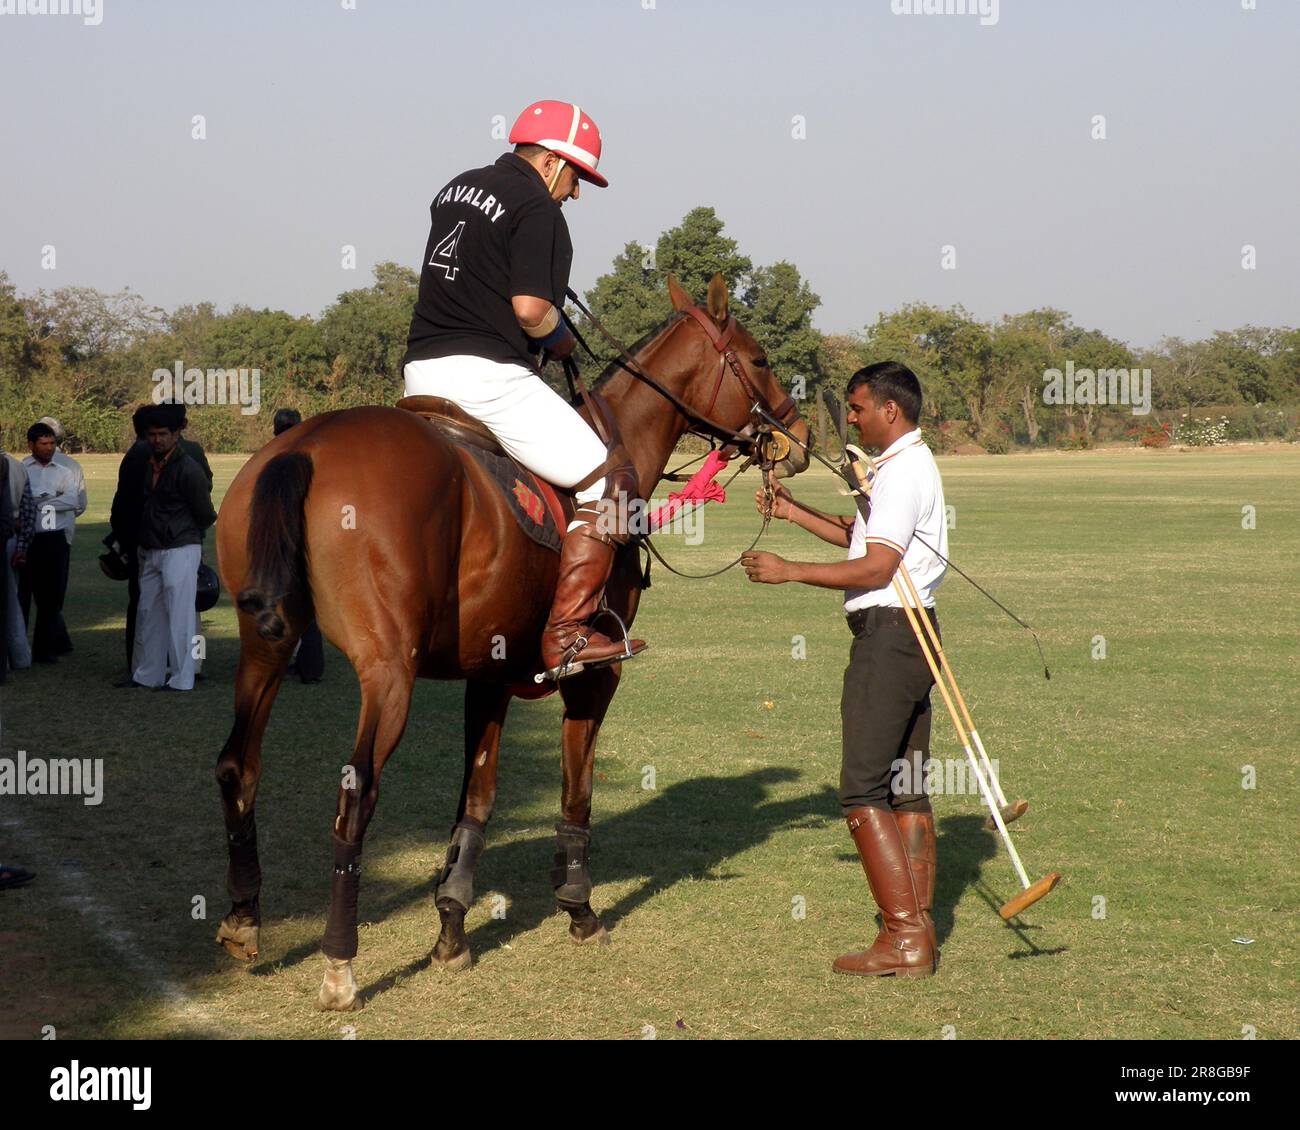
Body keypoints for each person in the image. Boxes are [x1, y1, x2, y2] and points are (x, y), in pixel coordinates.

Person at [401, 99, 644, 677]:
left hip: (420, 373)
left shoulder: (455, 187)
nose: (576, 194)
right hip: (488, 377)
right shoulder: (539, 206)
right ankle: (567, 635)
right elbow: (532, 310)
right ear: (555, 163)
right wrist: (560, 338)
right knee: (610, 482)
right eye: (578, 177)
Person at [741, 362, 947, 978]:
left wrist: (789, 570)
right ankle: (917, 928)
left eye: (857, 409)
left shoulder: (905, 472)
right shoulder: (898, 467)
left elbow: (875, 570)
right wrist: (795, 513)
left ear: (891, 410)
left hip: (890, 638)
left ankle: (905, 939)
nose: (850, 418)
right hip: (912, 634)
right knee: (905, 786)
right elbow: (863, 540)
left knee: (862, 788)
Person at [110, 404, 213, 678]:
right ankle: (193, 665)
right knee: (187, 611)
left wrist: (122, 539)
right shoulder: (192, 452)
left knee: (149, 610)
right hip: (177, 539)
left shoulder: (140, 455)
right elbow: (205, 497)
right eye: (153, 432)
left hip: (160, 540)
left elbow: (124, 503)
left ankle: (147, 667)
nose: (157, 438)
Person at [19, 421, 86, 663]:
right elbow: (18, 501)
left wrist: (38, 502)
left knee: (51, 598)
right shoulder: (22, 469)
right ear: (31, 444)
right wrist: (52, 498)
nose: (49, 448)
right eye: (43, 444)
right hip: (29, 538)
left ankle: (44, 650)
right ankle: (18, 649)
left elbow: (72, 501)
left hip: (54, 538)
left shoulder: (64, 471)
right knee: (22, 595)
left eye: (52, 443)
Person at [272, 408, 324, 683]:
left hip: (288, 535)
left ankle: (304, 664)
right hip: (308, 534)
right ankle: (309, 665)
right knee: (307, 603)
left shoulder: (275, 456)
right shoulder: (313, 455)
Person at [2, 451, 35, 674]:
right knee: (11, 599)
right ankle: (20, 656)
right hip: (12, 535)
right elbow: (28, 510)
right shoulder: (17, 465)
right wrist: (22, 546)